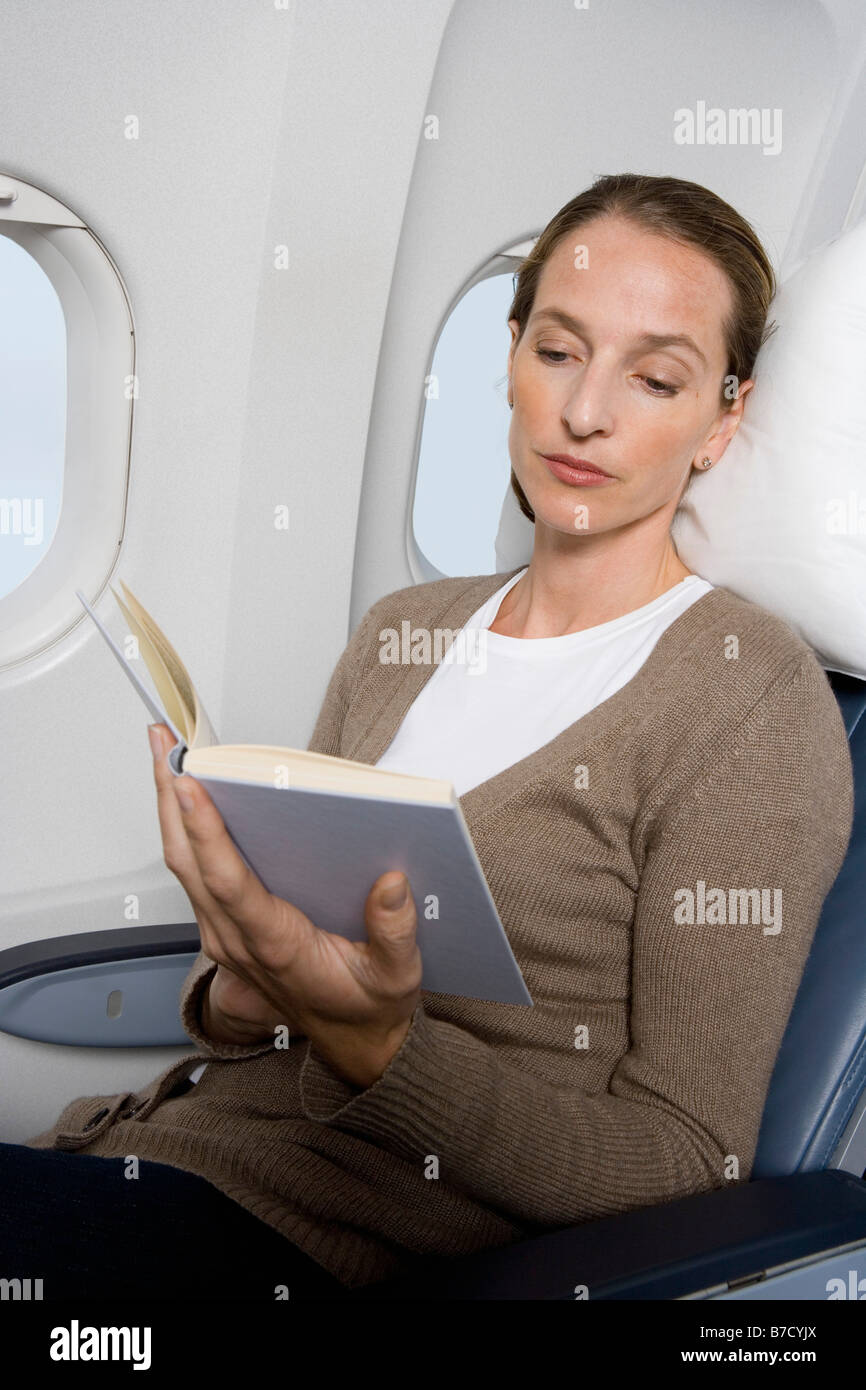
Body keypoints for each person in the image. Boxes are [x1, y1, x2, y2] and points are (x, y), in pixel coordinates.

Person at [7, 173, 854, 1301]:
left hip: (325, 1243)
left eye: (654, 377)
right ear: (508, 354)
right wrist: (245, 991)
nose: (585, 410)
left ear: (721, 420)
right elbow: (244, 1009)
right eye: (557, 351)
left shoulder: (749, 701)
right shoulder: (402, 633)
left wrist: (381, 1052)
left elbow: (687, 1154)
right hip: (153, 1155)